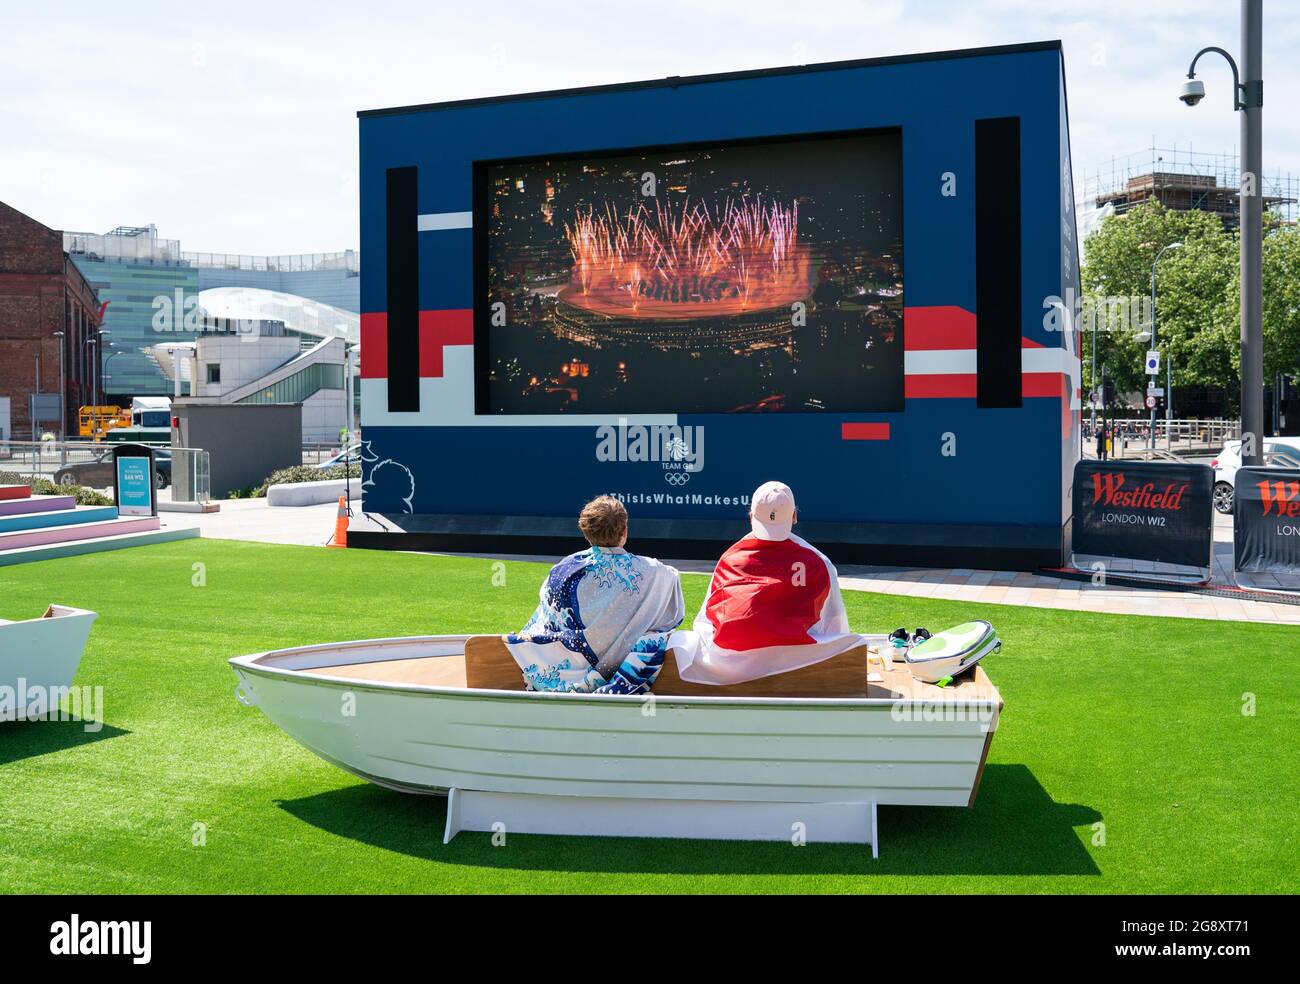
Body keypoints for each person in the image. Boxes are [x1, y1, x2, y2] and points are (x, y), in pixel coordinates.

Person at [670, 481, 863, 685]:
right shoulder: (819, 561)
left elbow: (705, 622)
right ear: (794, 516)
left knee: (682, 641)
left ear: (751, 517)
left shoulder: (729, 557)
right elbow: (835, 626)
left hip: (728, 667)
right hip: (797, 661)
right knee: (853, 642)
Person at [506, 496, 683, 695]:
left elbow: (545, 622)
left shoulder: (564, 569)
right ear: (624, 531)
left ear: (586, 533)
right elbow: (671, 613)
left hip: (565, 667)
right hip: (617, 664)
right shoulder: (656, 571)